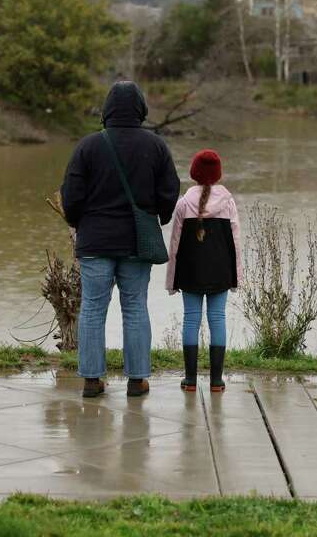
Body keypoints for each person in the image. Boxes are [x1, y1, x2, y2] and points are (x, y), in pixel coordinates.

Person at [60, 81, 180, 399]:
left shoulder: (88, 146)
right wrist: (159, 217)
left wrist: (78, 222)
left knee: (92, 308)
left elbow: (71, 195)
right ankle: (137, 380)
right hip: (137, 242)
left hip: (95, 240)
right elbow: (170, 190)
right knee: (135, 306)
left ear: (107, 110)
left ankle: (91, 380)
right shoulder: (155, 146)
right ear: (141, 109)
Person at [164, 149, 242, 393]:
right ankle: (216, 381)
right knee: (217, 318)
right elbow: (235, 242)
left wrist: (171, 280)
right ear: (218, 174)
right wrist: (236, 277)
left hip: (190, 272)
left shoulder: (183, 204)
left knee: (191, 319)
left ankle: (190, 380)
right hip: (220, 271)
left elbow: (175, 244)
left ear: (194, 173)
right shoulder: (228, 203)